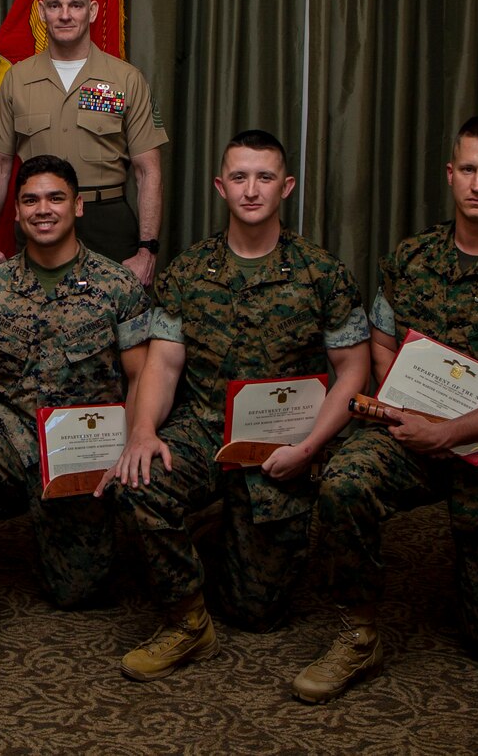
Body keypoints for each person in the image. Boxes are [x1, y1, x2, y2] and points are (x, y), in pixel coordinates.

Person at [294, 115, 478, 703]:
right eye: (470, 169)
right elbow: (381, 338)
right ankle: (358, 632)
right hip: (413, 434)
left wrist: (451, 430)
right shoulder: (411, 258)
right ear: (451, 175)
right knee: (344, 481)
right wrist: (404, 406)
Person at [100, 130, 371, 681]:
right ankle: (188, 621)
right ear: (222, 186)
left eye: (265, 178)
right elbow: (164, 364)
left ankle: (225, 530)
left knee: (257, 614)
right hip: (204, 430)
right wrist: (144, 430)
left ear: (286, 187)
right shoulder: (188, 271)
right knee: (139, 479)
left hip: (282, 441)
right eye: (240, 178)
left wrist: (311, 447)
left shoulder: (322, 273)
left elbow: (354, 371)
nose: (252, 190)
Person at [0, 155, 151, 667]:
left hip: (82, 440)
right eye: (30, 200)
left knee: (76, 592)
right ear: (17, 213)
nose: (42, 210)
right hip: (12, 426)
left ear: (78, 205)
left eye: (55, 198)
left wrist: (133, 441)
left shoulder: (117, 286)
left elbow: (141, 377)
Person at [0, 0, 168, 284]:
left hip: (106, 221)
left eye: (75, 6)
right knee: (38, 319)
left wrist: (147, 249)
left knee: (117, 325)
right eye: (55, 6)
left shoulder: (126, 80)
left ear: (91, 11)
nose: (65, 15)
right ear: (41, 12)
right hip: (40, 220)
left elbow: (149, 171)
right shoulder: (17, 79)